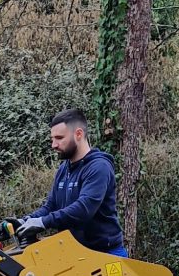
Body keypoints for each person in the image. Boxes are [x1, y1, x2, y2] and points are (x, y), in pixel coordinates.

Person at [20, 108, 128, 256]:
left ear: (78, 134)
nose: (54, 145)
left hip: (106, 255)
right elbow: (51, 206)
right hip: (75, 255)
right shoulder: (64, 169)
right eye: (52, 139)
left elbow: (83, 209)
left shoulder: (98, 167)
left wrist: (43, 223)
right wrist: (25, 221)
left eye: (59, 138)